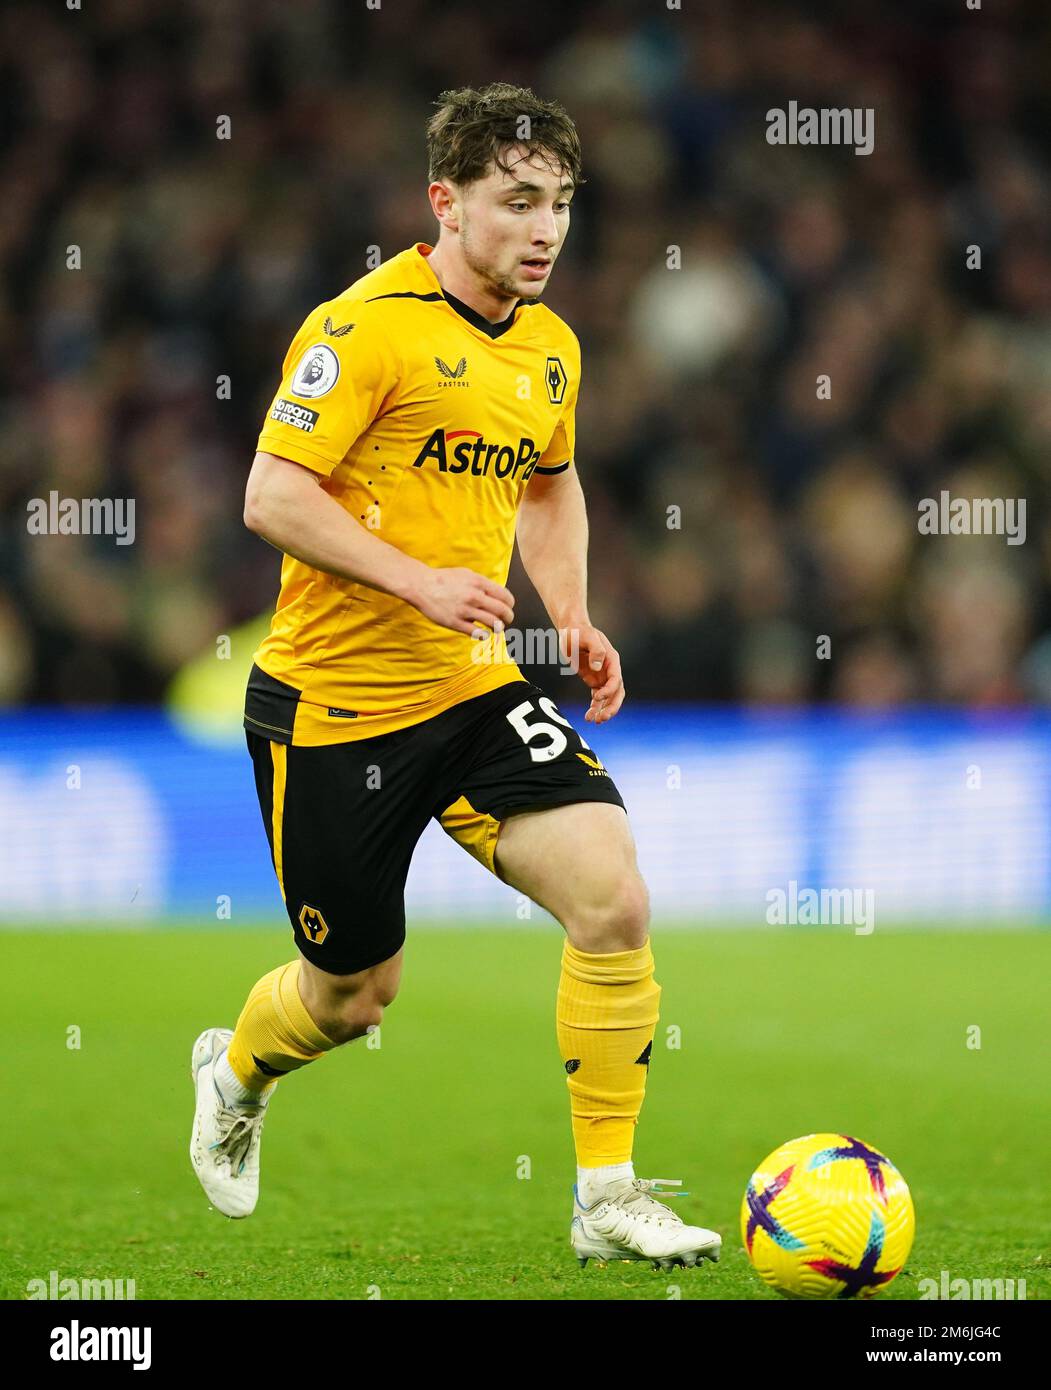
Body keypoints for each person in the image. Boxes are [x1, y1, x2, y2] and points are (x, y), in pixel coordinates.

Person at [189, 82, 720, 1272]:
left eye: (562, 205)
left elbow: (546, 480)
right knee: (352, 999)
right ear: (447, 201)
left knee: (612, 898)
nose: (545, 230)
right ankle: (231, 1070)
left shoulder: (550, 347)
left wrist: (571, 610)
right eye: (517, 201)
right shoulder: (361, 327)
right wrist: (417, 579)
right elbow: (271, 494)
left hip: (477, 688)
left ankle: (605, 1194)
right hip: (334, 710)